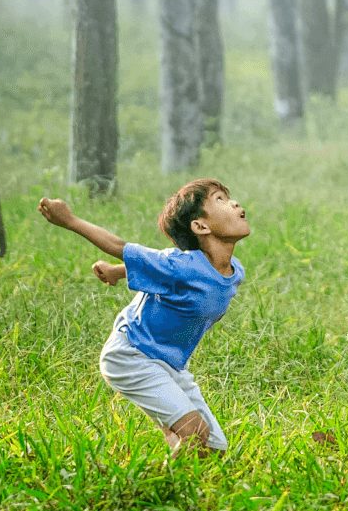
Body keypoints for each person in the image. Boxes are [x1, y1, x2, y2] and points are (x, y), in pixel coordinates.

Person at [37, 180, 250, 455]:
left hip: (169, 364)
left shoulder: (234, 272)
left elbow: (161, 273)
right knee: (195, 436)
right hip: (132, 355)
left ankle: (181, 461)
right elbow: (120, 246)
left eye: (229, 198)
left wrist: (117, 271)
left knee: (213, 449)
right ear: (200, 226)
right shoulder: (181, 265)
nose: (233, 203)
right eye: (220, 199)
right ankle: (154, 490)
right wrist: (70, 220)